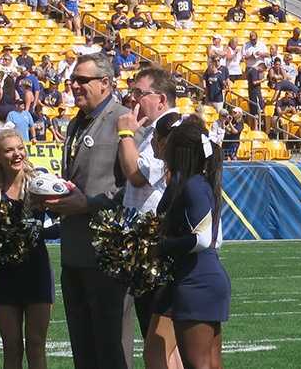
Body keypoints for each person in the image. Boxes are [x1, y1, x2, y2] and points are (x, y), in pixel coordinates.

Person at [44, 52, 134, 369]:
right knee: (83, 350)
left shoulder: (124, 120)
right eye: (73, 80)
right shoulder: (74, 123)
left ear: (105, 83)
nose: (74, 86)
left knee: (111, 349)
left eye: (82, 80)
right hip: (73, 251)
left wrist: (89, 203)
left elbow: (135, 187)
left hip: (108, 254)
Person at [114, 68, 183, 366]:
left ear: (161, 99)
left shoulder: (170, 130)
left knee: (159, 347)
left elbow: (137, 174)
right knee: (164, 347)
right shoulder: (157, 130)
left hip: (158, 246)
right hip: (149, 246)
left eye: (140, 93)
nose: (133, 100)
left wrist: (125, 133)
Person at [151, 114, 230, 369]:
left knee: (198, 364)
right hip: (206, 276)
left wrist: (161, 247)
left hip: (196, 281)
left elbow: (204, 238)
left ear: (180, 151)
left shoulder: (192, 186)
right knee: (211, 363)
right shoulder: (200, 183)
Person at [0, 129, 58, 369]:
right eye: (9, 150)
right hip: (5, 275)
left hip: (37, 272)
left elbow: (63, 222)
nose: (17, 154)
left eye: (20, 148)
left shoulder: (40, 182)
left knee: (36, 345)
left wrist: (37, 230)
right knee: (11, 347)